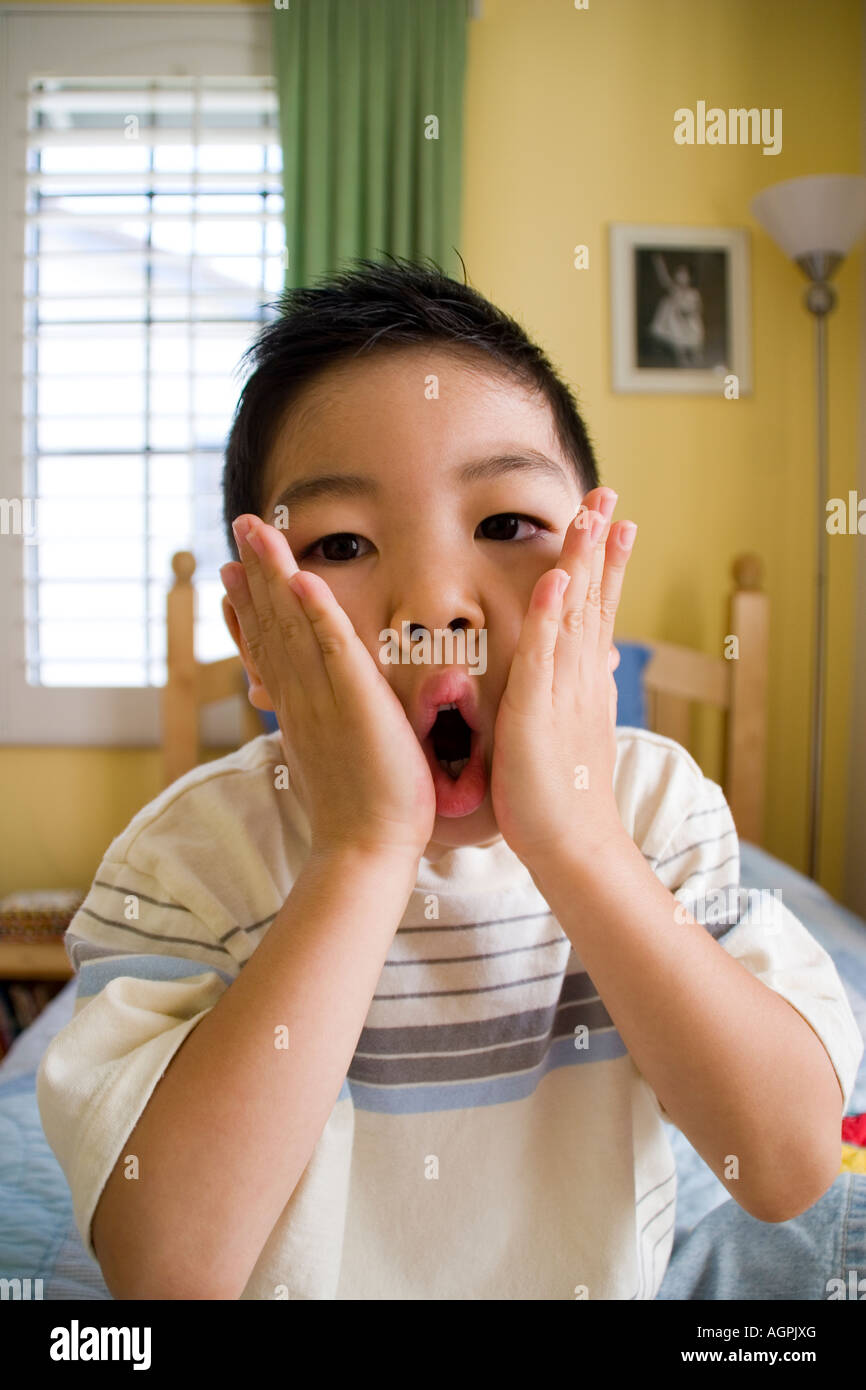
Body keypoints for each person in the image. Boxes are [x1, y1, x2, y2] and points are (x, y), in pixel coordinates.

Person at [36, 256, 862, 1300]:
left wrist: (577, 842)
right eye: (341, 542)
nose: (433, 603)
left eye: (507, 525)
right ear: (257, 634)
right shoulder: (191, 859)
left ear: (596, 584)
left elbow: (784, 1165)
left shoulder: (654, 810)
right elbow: (167, 1272)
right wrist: (360, 851)